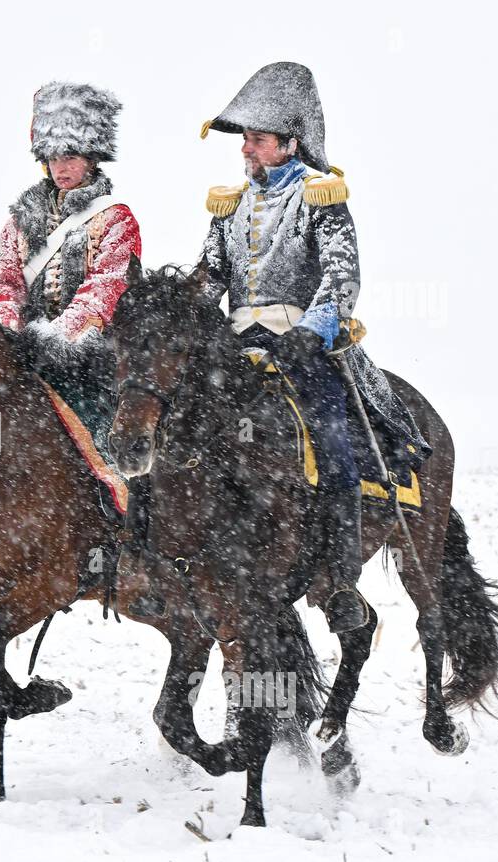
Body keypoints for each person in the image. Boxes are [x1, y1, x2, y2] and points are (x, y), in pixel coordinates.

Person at [0, 80, 142, 595]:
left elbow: (104, 287)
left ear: (92, 157)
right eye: (54, 156)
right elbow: (2, 281)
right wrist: (7, 334)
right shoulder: (21, 221)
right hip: (21, 354)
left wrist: (55, 338)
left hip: (88, 355)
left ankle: (116, 533)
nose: (62, 166)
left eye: (72, 156)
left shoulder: (115, 219)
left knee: (96, 435)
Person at [194, 61, 369, 633]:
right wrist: (184, 302)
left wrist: (308, 333)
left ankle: (343, 581)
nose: (246, 147)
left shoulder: (322, 196)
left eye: (258, 138)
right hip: (234, 340)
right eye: (244, 138)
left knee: (332, 437)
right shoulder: (228, 204)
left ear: (290, 143)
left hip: (300, 344)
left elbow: (341, 278)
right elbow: (212, 275)